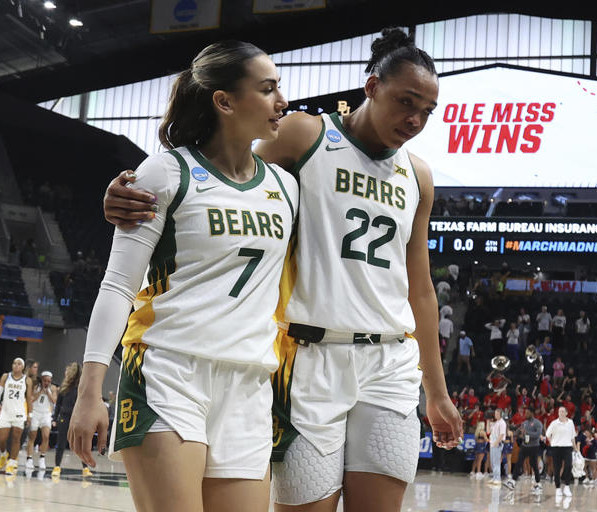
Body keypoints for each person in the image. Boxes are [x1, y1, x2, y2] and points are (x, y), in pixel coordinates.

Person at [102, 28, 463, 512]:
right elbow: (223, 170)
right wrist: (139, 193)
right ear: (372, 86)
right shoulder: (304, 134)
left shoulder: (418, 175)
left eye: (427, 111)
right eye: (406, 102)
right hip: (310, 355)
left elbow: (420, 288)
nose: (415, 119)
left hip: (389, 362)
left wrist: (435, 392)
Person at [69, 41, 296, 512]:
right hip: (169, 372)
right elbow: (117, 285)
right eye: (268, 88)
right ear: (225, 101)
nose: (283, 101)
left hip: (250, 382)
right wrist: (90, 392)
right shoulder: (166, 172)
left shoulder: (286, 187)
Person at [0, 357, 33, 475]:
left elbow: (29, 399)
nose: (16, 365)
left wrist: (29, 415)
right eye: (14, 363)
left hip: (19, 413)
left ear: (23, 367)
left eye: (19, 364)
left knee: (16, 439)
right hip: (5, 412)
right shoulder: (6, 377)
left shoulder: (27, 380)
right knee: (1, 439)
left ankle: (11, 463)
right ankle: (3, 454)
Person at [53, 362, 91, 479]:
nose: (65, 372)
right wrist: (55, 418)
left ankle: (85, 468)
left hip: (77, 419)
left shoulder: (80, 388)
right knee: (61, 443)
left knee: (79, 444)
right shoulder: (63, 388)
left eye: (68, 370)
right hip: (64, 418)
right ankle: (57, 467)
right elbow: (58, 405)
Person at [507, 408, 543, 494]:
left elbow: (537, 435)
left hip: (534, 446)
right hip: (524, 446)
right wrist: (514, 432)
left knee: (534, 465)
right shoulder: (524, 423)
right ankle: (513, 481)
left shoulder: (537, 423)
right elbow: (518, 432)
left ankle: (538, 483)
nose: (525, 414)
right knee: (519, 462)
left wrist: (526, 433)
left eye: (527, 413)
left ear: (531, 413)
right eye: (525, 413)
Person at [26, 370, 57, 471]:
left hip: (46, 414)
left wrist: (47, 392)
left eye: (48, 381)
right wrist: (40, 392)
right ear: (42, 380)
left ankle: (42, 458)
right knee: (32, 437)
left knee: (46, 436)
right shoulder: (36, 387)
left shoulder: (52, 388)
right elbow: (31, 399)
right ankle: (29, 458)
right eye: (45, 381)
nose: (47, 383)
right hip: (35, 413)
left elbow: (54, 401)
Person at [546, 406, 576, 498]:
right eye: (559, 411)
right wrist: (552, 443)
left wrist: (575, 448)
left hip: (567, 447)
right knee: (557, 468)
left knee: (568, 466)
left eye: (563, 411)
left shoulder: (570, 422)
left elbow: (572, 436)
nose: (561, 413)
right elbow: (547, 434)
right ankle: (558, 488)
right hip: (556, 448)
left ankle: (567, 487)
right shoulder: (554, 423)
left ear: (566, 413)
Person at [488, 409, 507, 485]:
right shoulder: (496, 423)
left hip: (497, 442)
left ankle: (497, 478)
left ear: (500, 414)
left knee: (496, 461)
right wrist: (488, 422)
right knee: (492, 461)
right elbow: (488, 431)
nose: (495, 415)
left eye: (497, 414)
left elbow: (502, 434)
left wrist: (496, 442)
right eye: (495, 413)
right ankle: (494, 477)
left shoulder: (502, 423)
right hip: (492, 443)